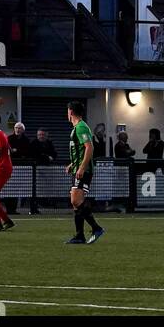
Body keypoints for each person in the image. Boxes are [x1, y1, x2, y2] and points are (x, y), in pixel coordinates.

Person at [64, 100, 104, 245]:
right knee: (76, 203)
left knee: (75, 200)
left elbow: (89, 148)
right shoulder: (77, 128)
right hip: (78, 168)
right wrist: (73, 164)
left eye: (67, 110)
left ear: (71, 112)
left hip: (84, 170)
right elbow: (80, 151)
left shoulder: (81, 127)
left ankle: (96, 228)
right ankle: (79, 235)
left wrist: (81, 168)